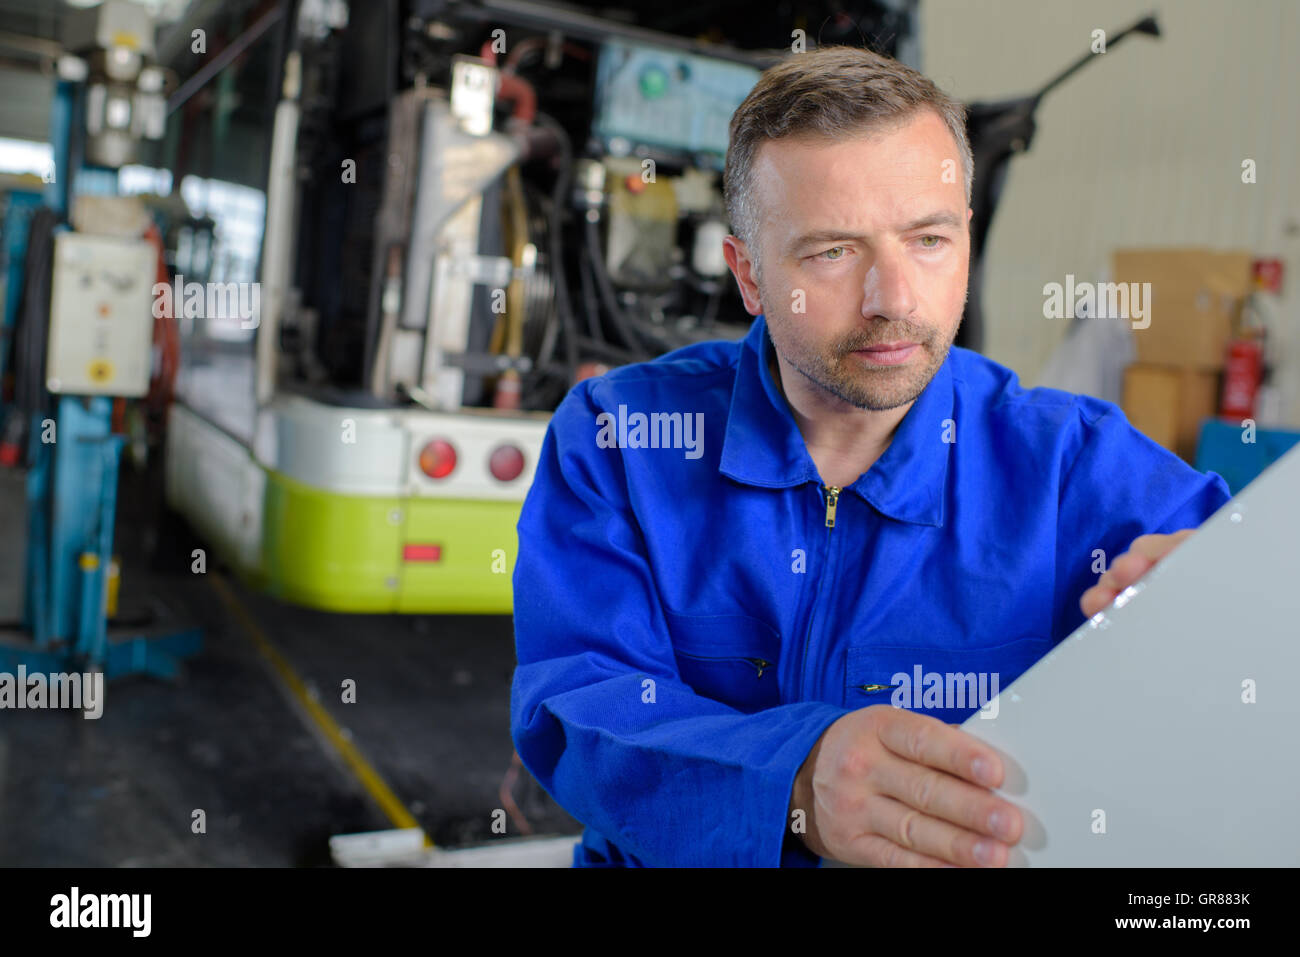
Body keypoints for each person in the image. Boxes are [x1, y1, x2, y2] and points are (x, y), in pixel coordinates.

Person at [510, 45, 1230, 867]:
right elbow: (577, 705)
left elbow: (1253, 610)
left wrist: (1235, 612)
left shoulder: (1072, 464)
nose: (894, 299)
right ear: (747, 275)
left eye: (928, 240)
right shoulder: (622, 439)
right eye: (832, 252)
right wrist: (793, 782)